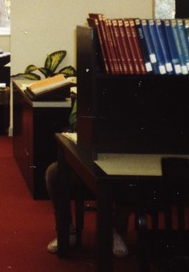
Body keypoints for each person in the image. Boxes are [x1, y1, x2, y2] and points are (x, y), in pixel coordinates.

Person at [44, 98, 128, 257]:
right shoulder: (89, 84)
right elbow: (75, 120)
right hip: (88, 152)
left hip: (119, 154)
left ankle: (114, 229)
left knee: (129, 178)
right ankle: (66, 229)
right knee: (54, 174)